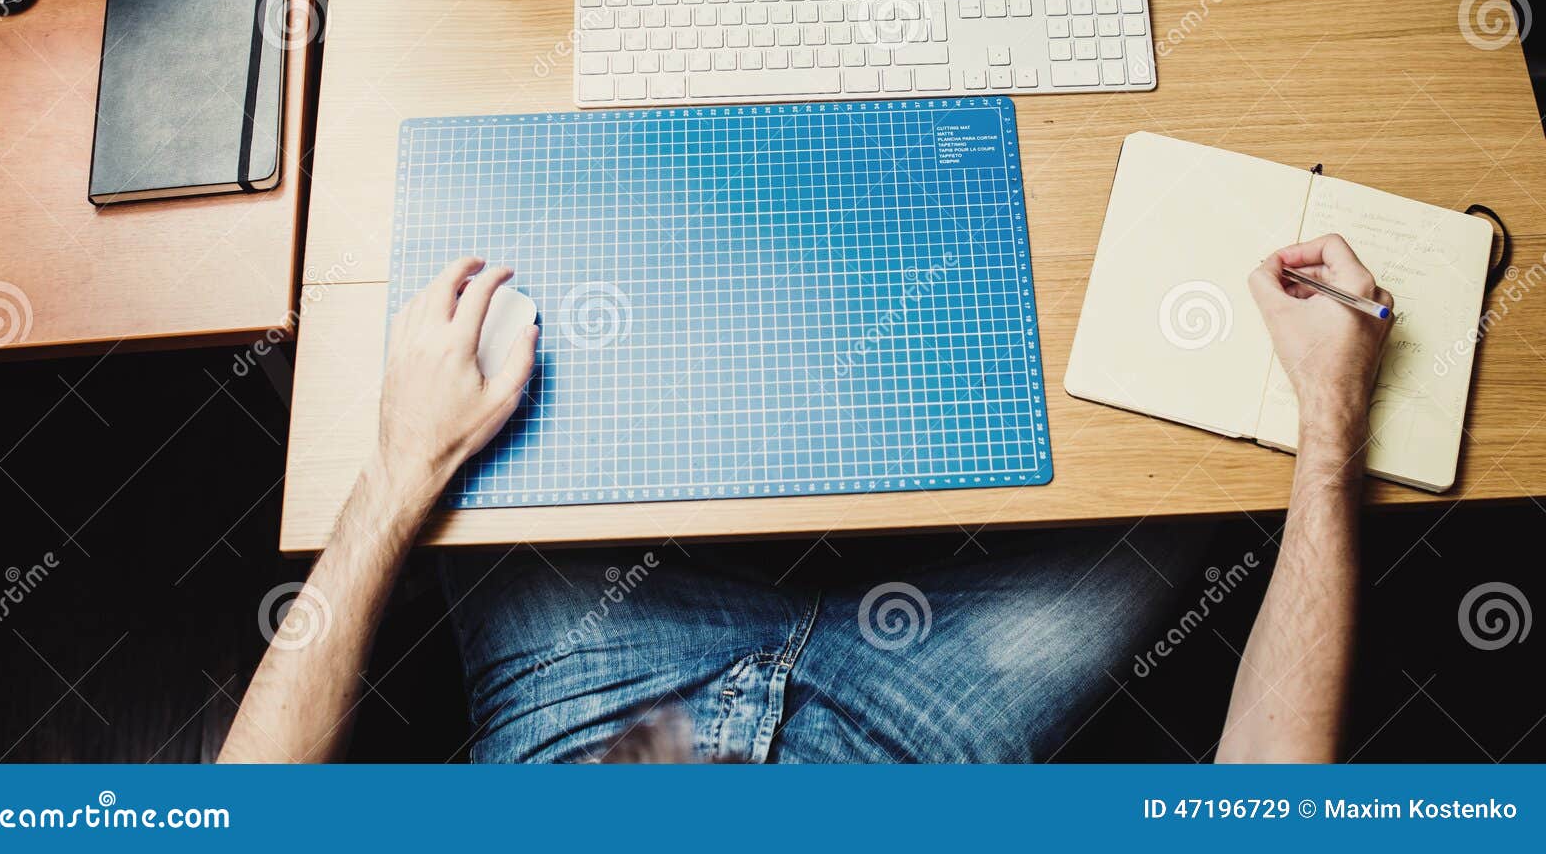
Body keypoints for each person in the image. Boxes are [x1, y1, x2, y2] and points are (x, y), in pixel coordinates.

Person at [219, 234, 1391, 764]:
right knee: (1182, 481)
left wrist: (398, 469)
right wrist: (1330, 430)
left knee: (532, 270)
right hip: (924, 730)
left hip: (586, 700)